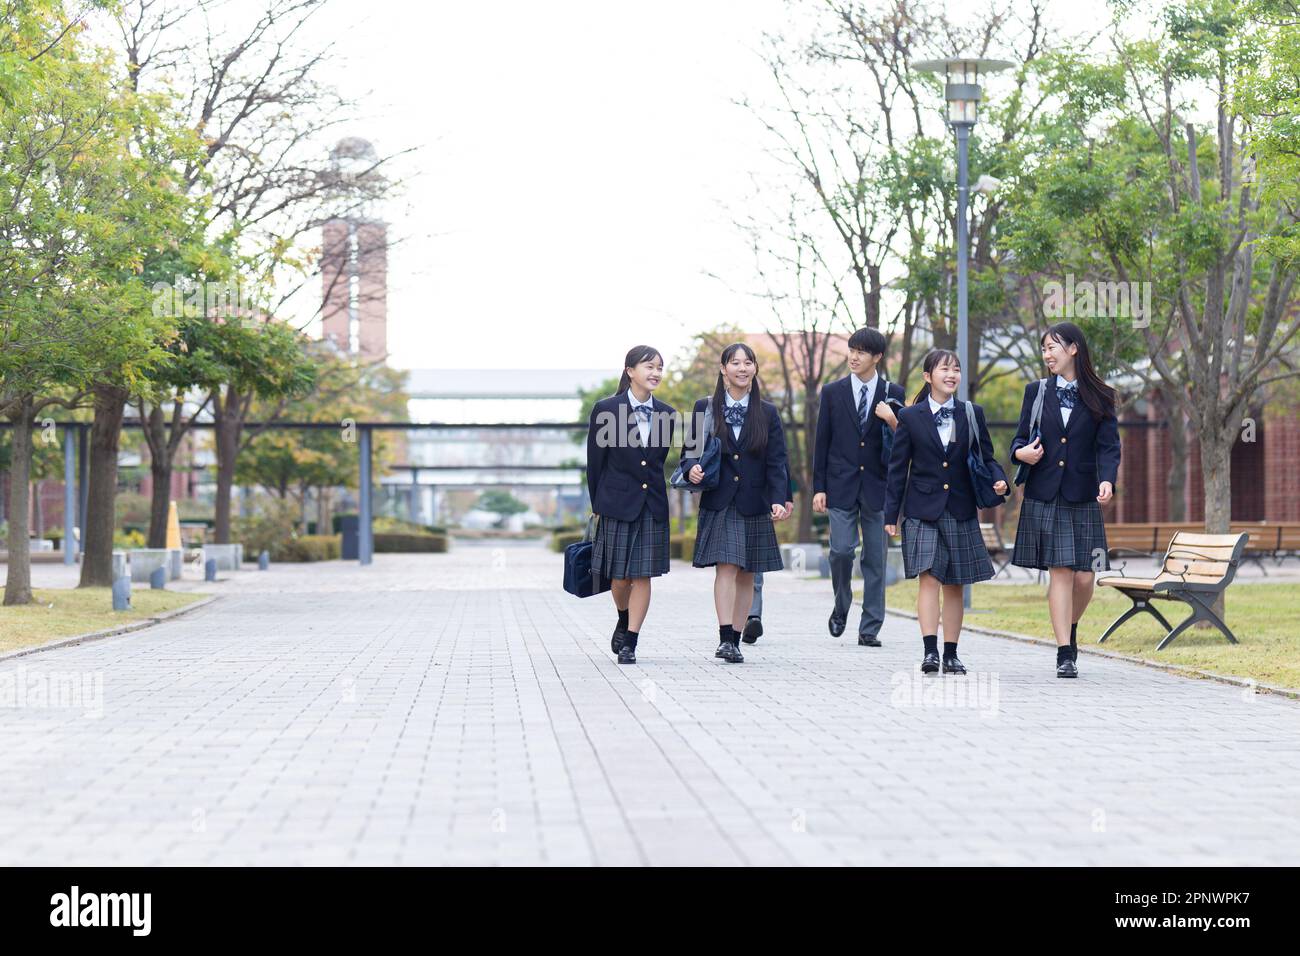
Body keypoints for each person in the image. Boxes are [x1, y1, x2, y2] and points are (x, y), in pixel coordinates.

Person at [883, 349, 1008, 675]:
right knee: (930, 578)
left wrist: (999, 480)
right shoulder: (910, 417)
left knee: (955, 584)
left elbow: (987, 457)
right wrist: (890, 515)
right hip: (921, 509)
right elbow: (898, 468)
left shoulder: (971, 413)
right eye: (944, 369)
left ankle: (951, 653)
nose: (951, 375)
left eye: (956, 369)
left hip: (960, 508)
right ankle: (930, 652)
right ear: (928, 376)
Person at [1009, 322, 1121, 678]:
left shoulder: (1102, 395)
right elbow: (1019, 440)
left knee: (1085, 577)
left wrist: (1107, 479)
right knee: (1061, 571)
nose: (1047, 354)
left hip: (1083, 493)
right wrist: (1021, 453)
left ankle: (1069, 628)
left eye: (1052, 347)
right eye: (1043, 349)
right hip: (1046, 492)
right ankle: (1063, 653)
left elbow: (1109, 446)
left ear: (1073, 348)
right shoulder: (1036, 392)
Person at [679, 343, 789, 664]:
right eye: (735, 363)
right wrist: (692, 468)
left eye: (748, 362)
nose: (742, 368)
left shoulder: (767, 412)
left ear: (755, 368)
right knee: (726, 567)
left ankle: (736, 639)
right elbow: (689, 452)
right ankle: (725, 637)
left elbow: (777, 461)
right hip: (720, 499)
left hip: (754, 501)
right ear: (723, 369)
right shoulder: (705, 408)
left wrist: (779, 499)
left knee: (747, 574)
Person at [812, 328, 905, 646]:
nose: (853, 356)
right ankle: (841, 604)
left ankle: (870, 628)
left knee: (876, 559)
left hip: (879, 488)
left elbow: (905, 443)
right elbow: (822, 442)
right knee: (841, 551)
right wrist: (819, 487)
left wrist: (892, 419)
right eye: (852, 350)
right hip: (840, 485)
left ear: (877, 357)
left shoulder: (893, 392)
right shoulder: (832, 392)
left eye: (861, 351)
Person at [585, 345, 676, 665]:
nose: (656, 373)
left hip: (652, 505)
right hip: (616, 503)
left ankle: (631, 642)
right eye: (649, 366)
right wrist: (598, 503)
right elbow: (595, 462)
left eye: (659, 368)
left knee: (643, 575)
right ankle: (623, 617)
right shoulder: (606, 410)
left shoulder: (667, 414)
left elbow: (657, 463)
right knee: (620, 578)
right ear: (630, 371)